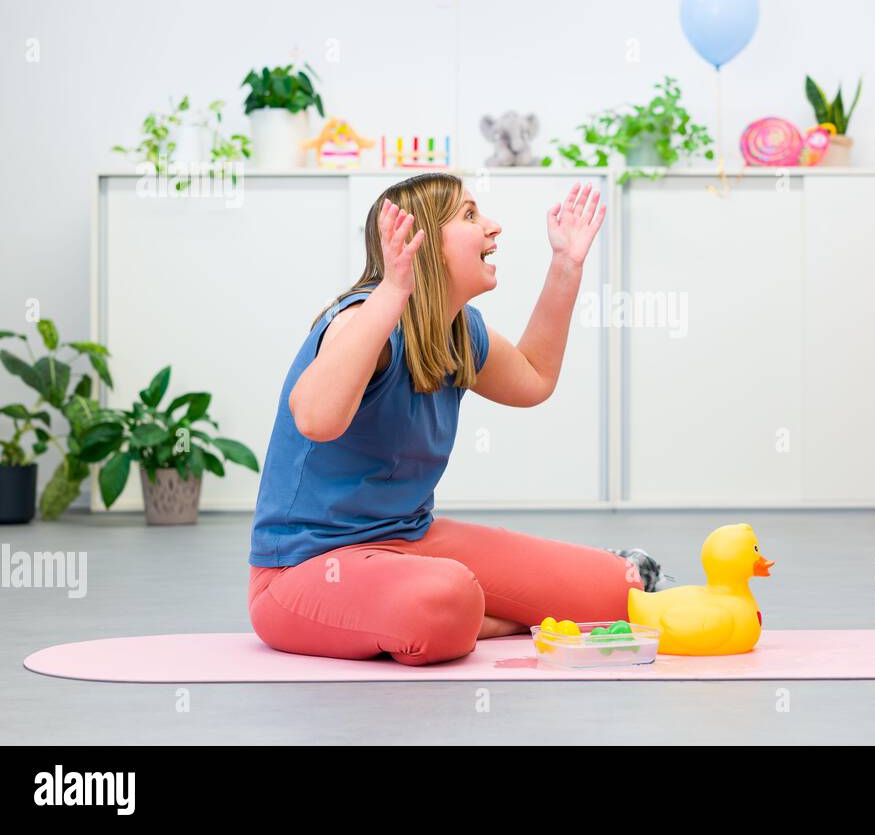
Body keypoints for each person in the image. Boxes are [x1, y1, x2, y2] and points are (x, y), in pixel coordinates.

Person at [247, 173, 663, 666]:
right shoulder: (358, 320)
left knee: (619, 589)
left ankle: (473, 612)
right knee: (444, 601)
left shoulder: (459, 330)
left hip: (411, 541)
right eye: (469, 216)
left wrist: (566, 266)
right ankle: (479, 614)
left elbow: (533, 379)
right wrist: (392, 291)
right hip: (302, 571)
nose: (493, 227)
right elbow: (315, 418)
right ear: (421, 243)